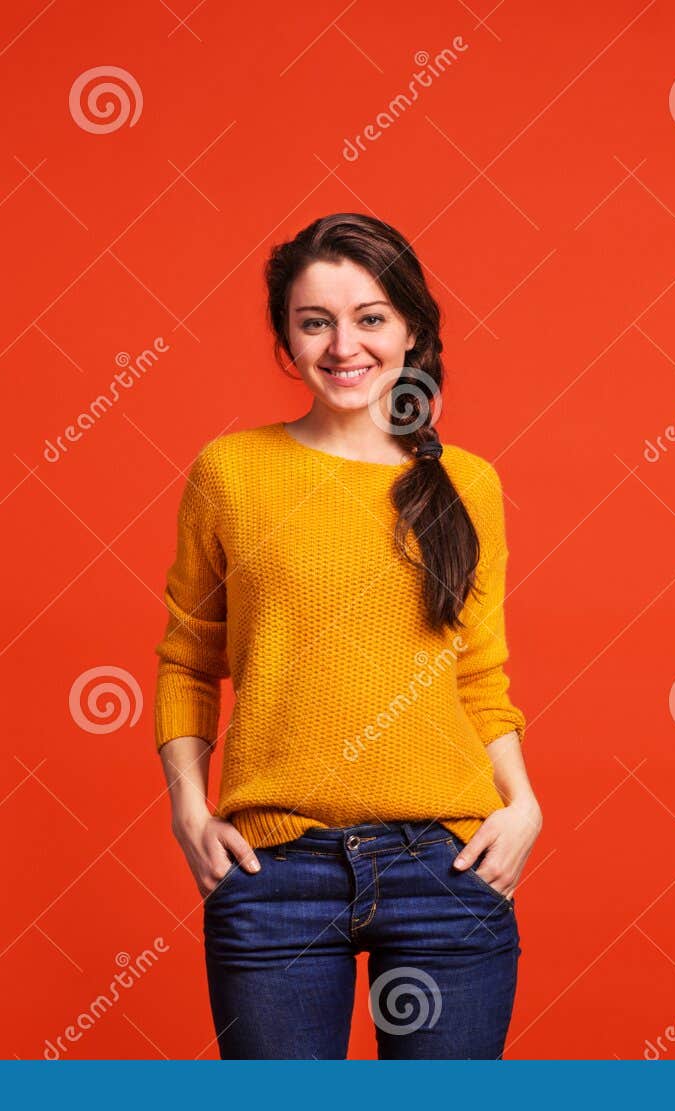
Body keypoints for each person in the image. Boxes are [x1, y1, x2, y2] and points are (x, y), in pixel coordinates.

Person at [152, 212, 543, 1059]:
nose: (343, 345)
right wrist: (188, 806)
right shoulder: (232, 472)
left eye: (369, 318)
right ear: (286, 341)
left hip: (447, 866)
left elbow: (479, 673)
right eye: (315, 321)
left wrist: (524, 804)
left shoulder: (468, 483)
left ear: (412, 329)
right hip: (276, 872)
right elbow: (189, 656)